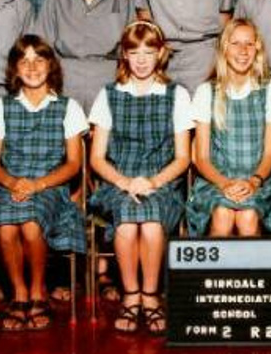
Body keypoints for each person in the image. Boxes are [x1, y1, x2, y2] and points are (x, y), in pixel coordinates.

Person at [88, 21, 193, 335]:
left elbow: (183, 157)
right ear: (125, 55)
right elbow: (96, 158)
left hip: (161, 183)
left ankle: (150, 295)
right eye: (134, 52)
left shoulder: (176, 95)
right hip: (118, 183)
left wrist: (153, 182)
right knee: (129, 214)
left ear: (161, 54)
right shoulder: (109, 95)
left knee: (149, 219)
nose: (142, 59)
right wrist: (124, 182)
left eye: (149, 51)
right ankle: (130, 295)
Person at [0, 35, 87, 331]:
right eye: (24, 61)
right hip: (10, 183)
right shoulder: (3, 106)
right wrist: (12, 183)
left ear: (50, 65)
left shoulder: (68, 106)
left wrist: (38, 185)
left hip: (50, 186)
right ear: (15, 69)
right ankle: (19, 293)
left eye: (39, 60)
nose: (32, 67)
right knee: (7, 223)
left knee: (30, 223)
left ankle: (38, 290)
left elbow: (74, 163)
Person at [186, 20, 271, 237]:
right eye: (236, 44)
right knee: (223, 214)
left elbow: (270, 153)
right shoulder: (207, 91)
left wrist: (253, 181)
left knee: (248, 216)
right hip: (216, 181)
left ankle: (252, 272)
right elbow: (201, 157)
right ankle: (215, 273)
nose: (243, 51)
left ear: (257, 49)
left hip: (259, 179)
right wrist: (225, 184)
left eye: (249, 44)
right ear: (224, 48)